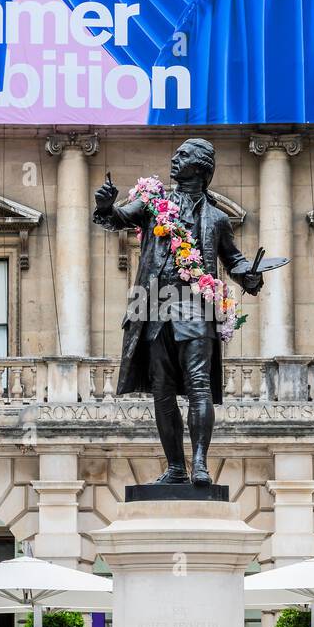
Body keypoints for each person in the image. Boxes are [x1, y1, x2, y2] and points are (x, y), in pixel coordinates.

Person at [94, 138, 268, 486]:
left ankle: (200, 464)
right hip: (154, 305)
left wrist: (250, 277)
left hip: (195, 307)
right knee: (162, 390)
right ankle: (176, 467)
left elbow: (233, 260)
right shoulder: (152, 204)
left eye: (184, 155)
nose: (175, 158)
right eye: (176, 154)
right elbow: (117, 218)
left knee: (199, 385)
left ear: (201, 168)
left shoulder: (217, 219)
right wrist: (106, 206)